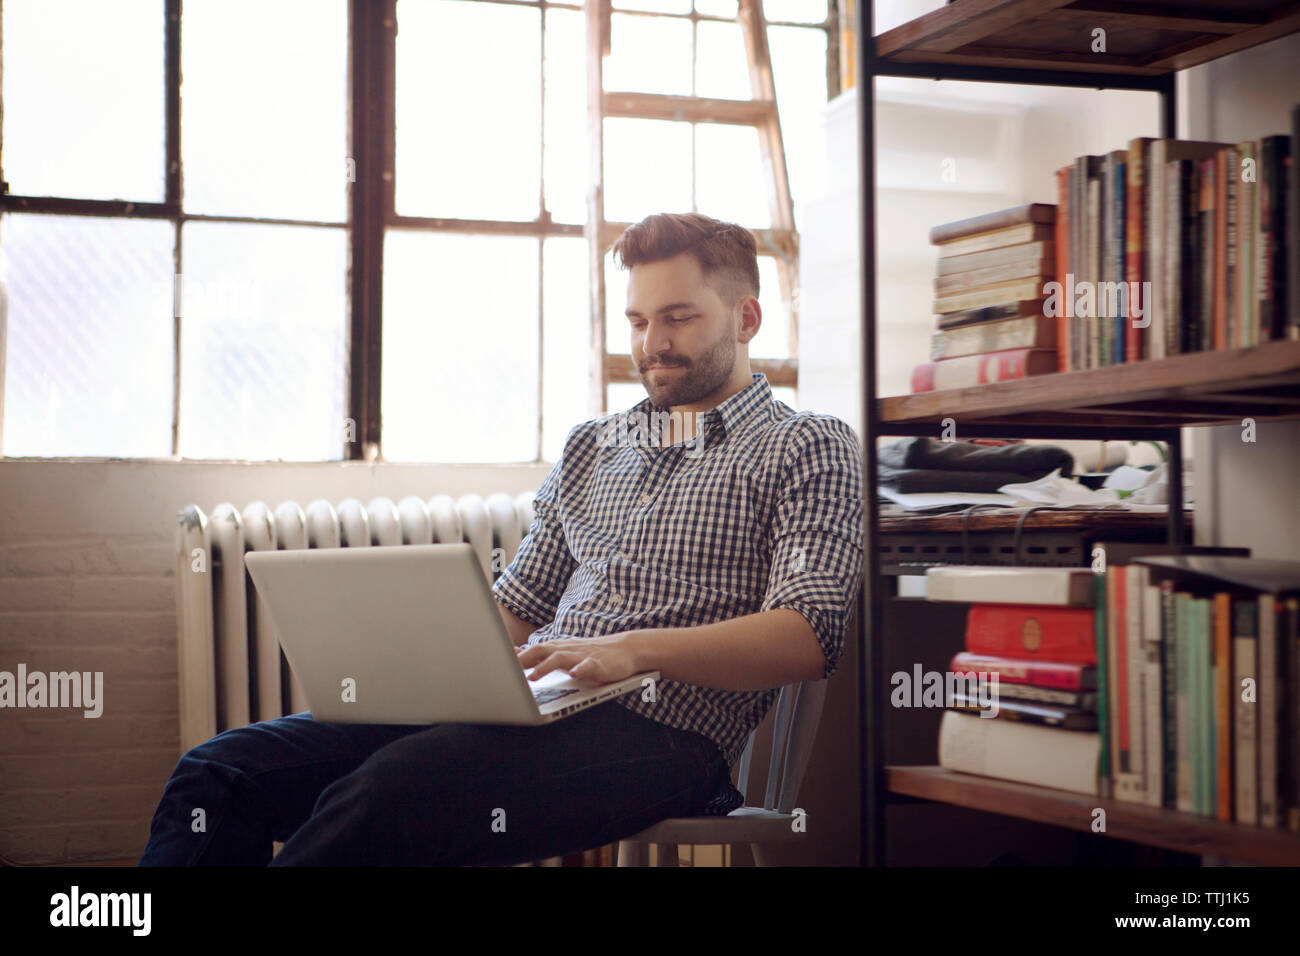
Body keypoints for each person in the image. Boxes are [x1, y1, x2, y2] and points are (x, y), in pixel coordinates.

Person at [138, 211, 863, 866]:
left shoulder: (806, 445)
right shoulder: (594, 445)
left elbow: (806, 634)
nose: (653, 344)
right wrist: (424, 661)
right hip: (531, 710)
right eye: (638, 321)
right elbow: (517, 607)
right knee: (219, 772)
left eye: (677, 318)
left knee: (391, 794)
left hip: (665, 735)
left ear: (747, 317)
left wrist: (630, 650)